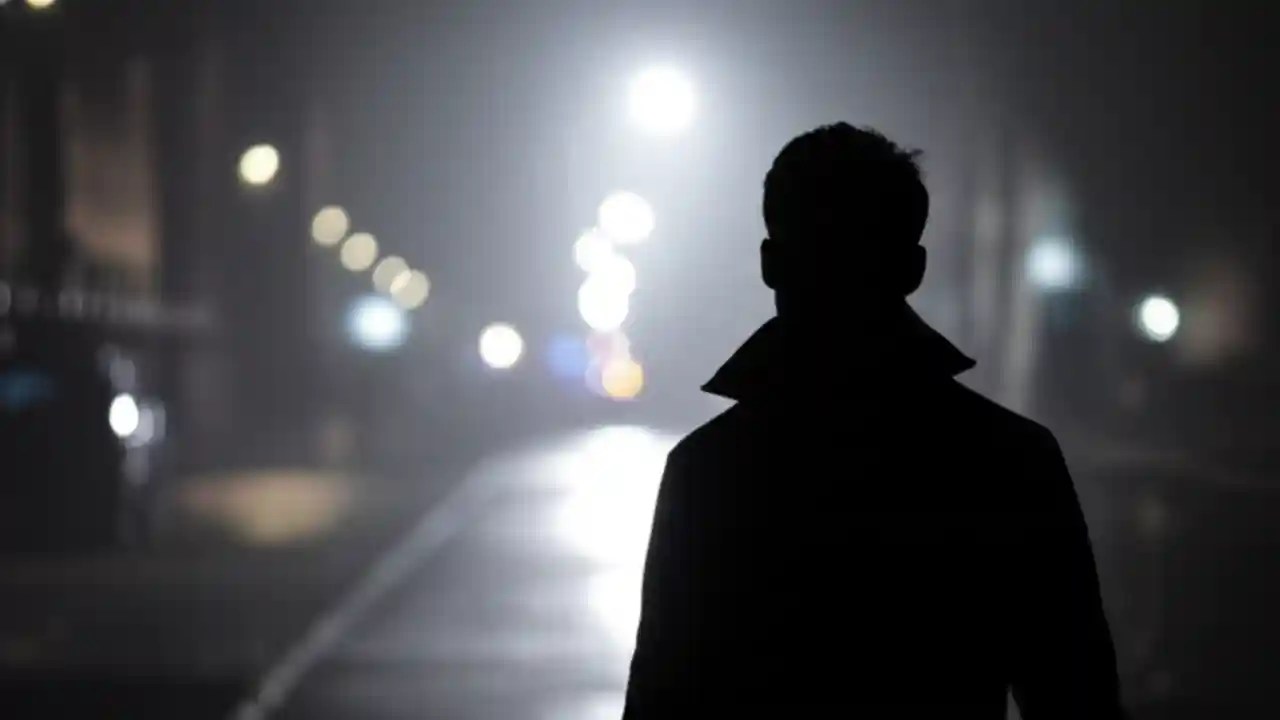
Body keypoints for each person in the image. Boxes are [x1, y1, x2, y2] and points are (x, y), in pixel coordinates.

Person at [623, 123, 1122, 718]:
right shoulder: (1011, 461)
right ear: (913, 268)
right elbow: (1077, 698)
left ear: (771, 264)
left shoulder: (708, 470)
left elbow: (662, 699)